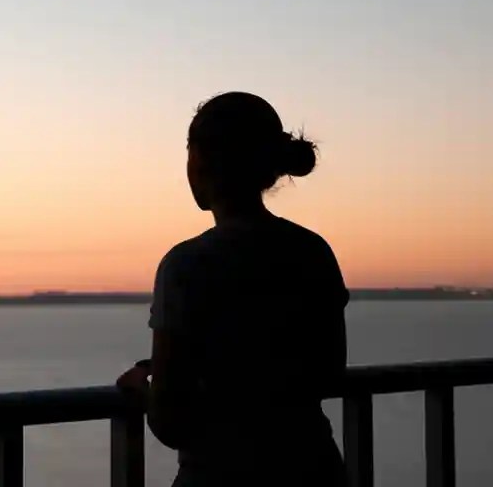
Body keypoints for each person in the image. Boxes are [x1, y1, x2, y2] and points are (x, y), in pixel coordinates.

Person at [117, 92, 349, 486]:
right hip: (314, 468)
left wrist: (142, 390)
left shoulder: (187, 264)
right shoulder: (312, 251)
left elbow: (170, 423)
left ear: (204, 160)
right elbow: (327, 374)